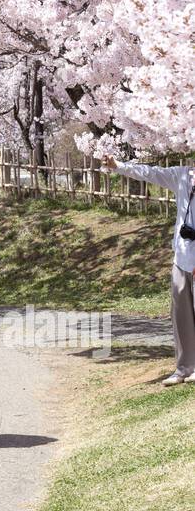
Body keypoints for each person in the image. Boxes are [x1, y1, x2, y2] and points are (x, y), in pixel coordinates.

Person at [104, 155, 195, 385]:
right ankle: (184, 367)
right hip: (183, 254)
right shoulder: (182, 175)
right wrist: (119, 166)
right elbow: (151, 172)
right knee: (180, 314)